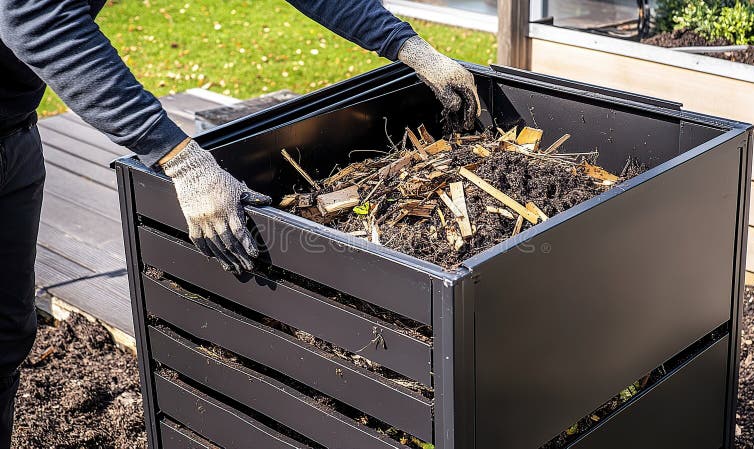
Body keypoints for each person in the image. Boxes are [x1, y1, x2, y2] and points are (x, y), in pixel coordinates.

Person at [0, 0, 480, 446]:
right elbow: (37, 21)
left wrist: (408, 47)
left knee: (8, 336)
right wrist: (178, 157)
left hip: (15, 132)